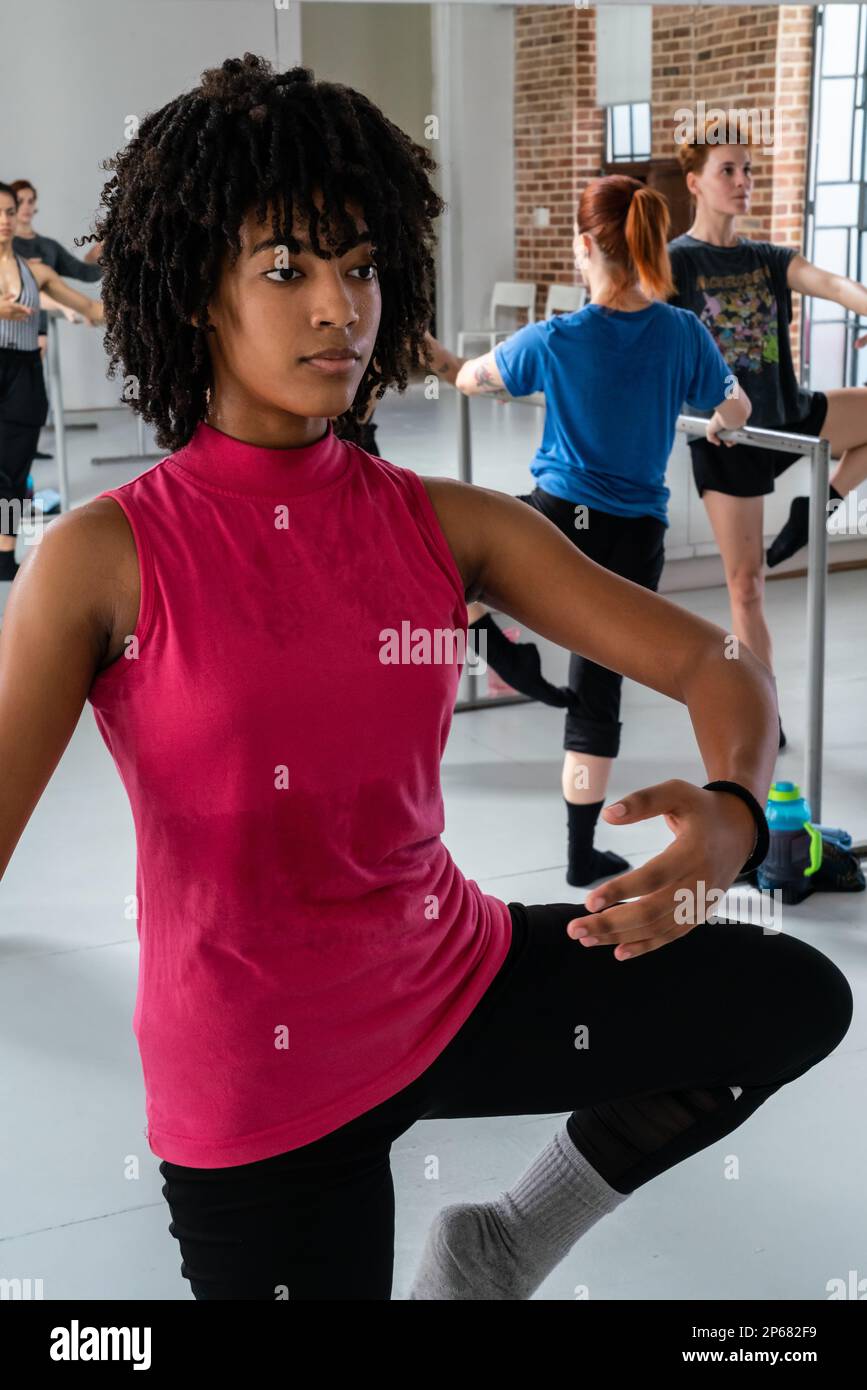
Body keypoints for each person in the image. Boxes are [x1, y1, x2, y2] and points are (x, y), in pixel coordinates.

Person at [0, 56, 851, 1302]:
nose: (339, 307)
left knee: (786, 995)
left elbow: (715, 664)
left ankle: (500, 1243)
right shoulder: (102, 558)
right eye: (287, 270)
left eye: (360, 266)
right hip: (259, 1076)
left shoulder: (449, 522)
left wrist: (730, 813)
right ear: (196, 296)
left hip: (453, 979)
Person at [423, 175, 751, 886]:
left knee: (463, 557)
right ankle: (579, 854)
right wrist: (722, 429)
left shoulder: (555, 336)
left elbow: (470, 379)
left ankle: (482, 626)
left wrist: (434, 356)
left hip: (551, 522)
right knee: (597, 684)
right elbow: (733, 405)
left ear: (583, 247)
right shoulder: (680, 331)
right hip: (634, 536)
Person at [668, 121, 867, 743]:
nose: (742, 181)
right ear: (695, 182)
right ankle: (764, 715)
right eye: (728, 170)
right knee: (747, 586)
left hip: (787, 412)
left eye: (748, 170)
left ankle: (818, 507)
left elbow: (834, 286)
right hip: (729, 438)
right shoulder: (676, 263)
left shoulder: (769, 258)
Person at [0, 181, 103, 580]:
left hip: (24, 376)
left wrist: (155, 303)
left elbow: (93, 309)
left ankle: (5, 556)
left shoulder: (37, 270)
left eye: (10, 211)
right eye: (0, 211)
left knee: (13, 470)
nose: (5, 220)